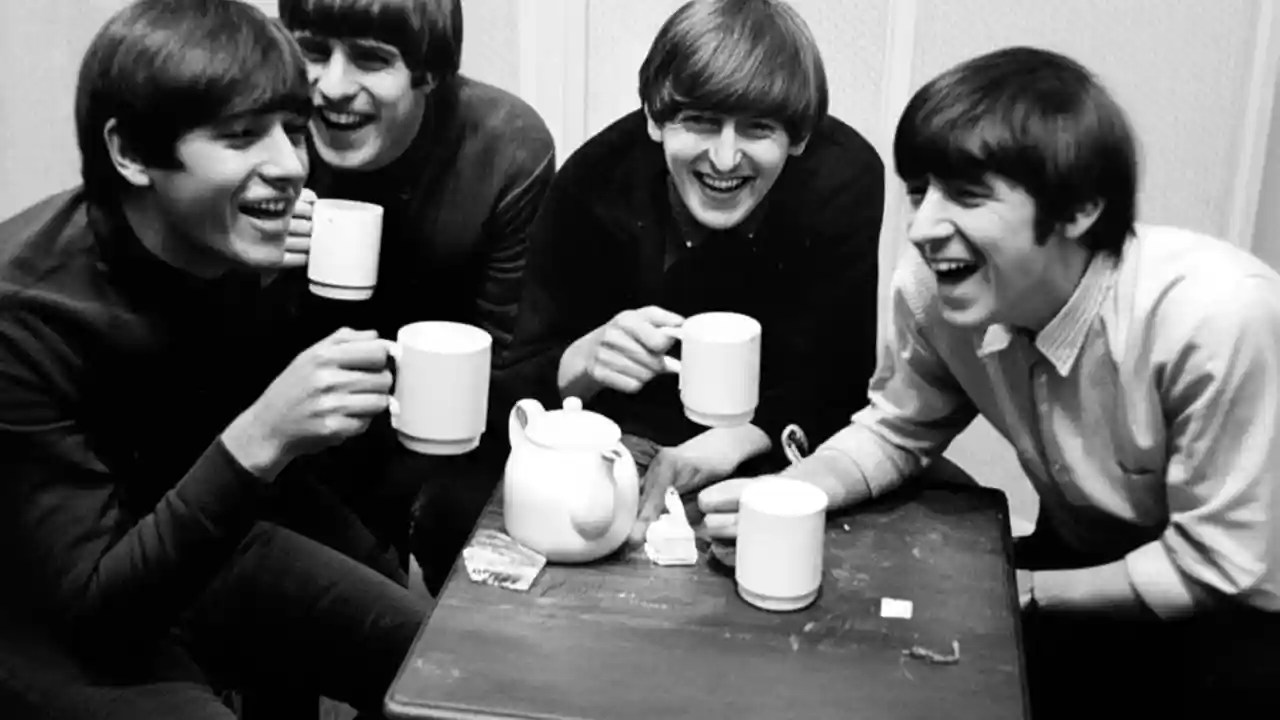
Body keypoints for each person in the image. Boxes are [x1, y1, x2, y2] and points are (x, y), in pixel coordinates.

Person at [697, 46, 1280, 717]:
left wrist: (1021, 591)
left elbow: (1222, 566)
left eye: (967, 195)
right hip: (1085, 556)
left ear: (1081, 208)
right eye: (920, 192)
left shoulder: (1215, 318)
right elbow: (895, 429)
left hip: (1239, 611)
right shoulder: (932, 291)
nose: (920, 228)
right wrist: (787, 496)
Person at [0, 1, 428, 718]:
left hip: (193, 544)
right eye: (240, 137)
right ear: (131, 152)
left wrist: (403, 584)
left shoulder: (226, 250)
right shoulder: (24, 317)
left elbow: (264, 486)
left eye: (293, 131)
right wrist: (264, 434)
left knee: (439, 664)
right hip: (48, 615)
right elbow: (95, 617)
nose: (291, 166)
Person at [501, 0, 885, 532]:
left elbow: (842, 383)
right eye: (700, 123)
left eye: (757, 130)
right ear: (656, 121)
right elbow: (510, 395)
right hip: (616, 439)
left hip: (776, 443)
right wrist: (583, 360)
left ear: (798, 138)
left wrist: (733, 444)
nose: (725, 159)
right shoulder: (594, 182)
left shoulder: (843, 180)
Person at [275, 0, 557, 577]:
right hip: (292, 427)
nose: (331, 86)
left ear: (429, 72)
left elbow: (506, 358)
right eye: (313, 52)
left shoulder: (502, 145)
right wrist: (248, 257)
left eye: (371, 60)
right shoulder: (265, 134)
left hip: (447, 422)